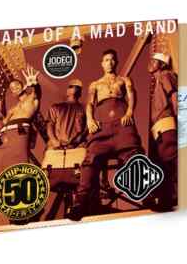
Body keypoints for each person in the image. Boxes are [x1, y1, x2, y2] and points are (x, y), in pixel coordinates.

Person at [68, 49, 143, 221]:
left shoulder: (124, 80)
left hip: (122, 123)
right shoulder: (95, 84)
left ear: (116, 62)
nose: (109, 62)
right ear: (102, 63)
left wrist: (130, 112)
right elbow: (90, 103)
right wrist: (89, 120)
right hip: (101, 126)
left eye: (112, 59)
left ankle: (148, 195)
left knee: (134, 155)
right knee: (90, 160)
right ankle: (80, 203)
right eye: (106, 60)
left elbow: (131, 94)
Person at [0, 65, 41, 217]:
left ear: (23, 86)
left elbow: (37, 93)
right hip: (3, 140)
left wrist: (34, 84)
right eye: (12, 88)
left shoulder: (31, 99)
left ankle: (22, 213)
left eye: (17, 86)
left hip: (19, 136)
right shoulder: (13, 109)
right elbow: (3, 122)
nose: (15, 89)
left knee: (19, 173)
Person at [147, 52, 178, 211]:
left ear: (162, 64)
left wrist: (179, 118)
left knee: (169, 161)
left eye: (155, 61)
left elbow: (174, 96)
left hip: (166, 123)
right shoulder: (158, 80)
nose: (151, 62)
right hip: (160, 126)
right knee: (163, 162)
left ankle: (170, 197)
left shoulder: (165, 75)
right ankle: (166, 197)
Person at [46, 79, 87, 150]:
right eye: (71, 86)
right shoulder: (55, 107)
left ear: (80, 93)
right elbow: (50, 125)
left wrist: (79, 139)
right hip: (57, 147)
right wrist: (54, 141)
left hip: (77, 148)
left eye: (78, 87)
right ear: (67, 92)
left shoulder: (85, 109)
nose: (74, 87)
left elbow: (87, 128)